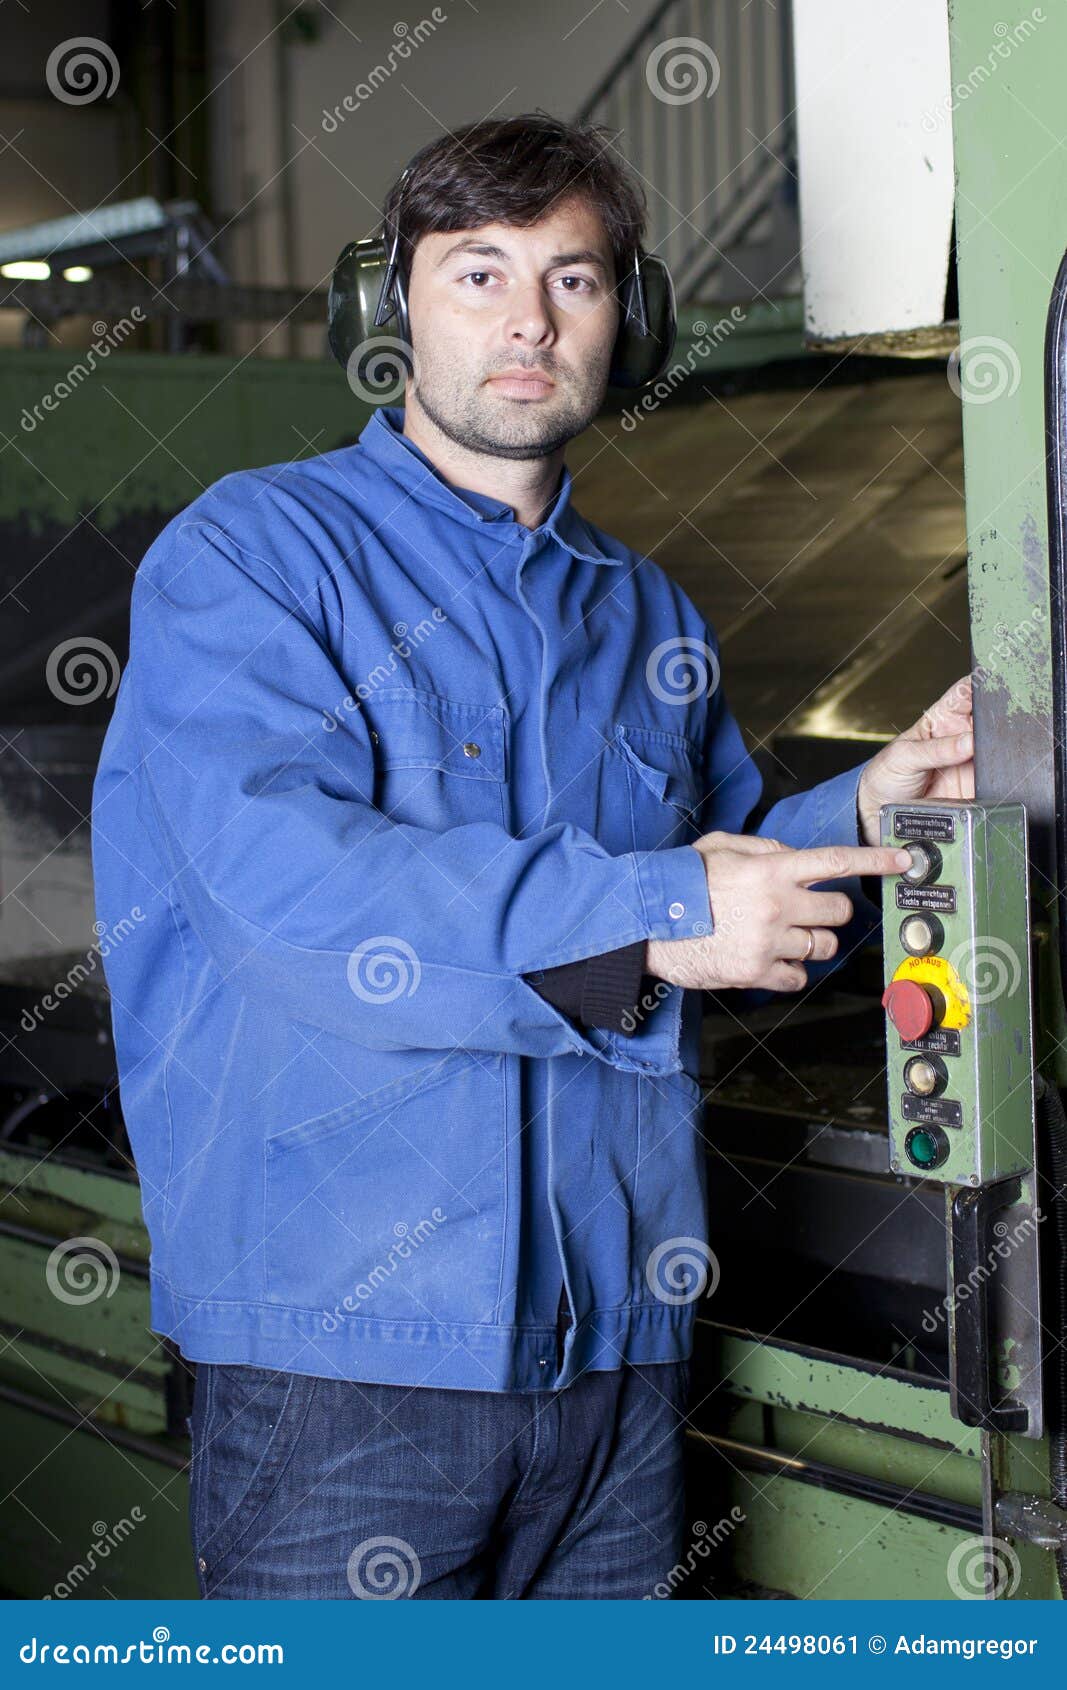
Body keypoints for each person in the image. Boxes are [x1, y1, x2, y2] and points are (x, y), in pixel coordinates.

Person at [91, 113, 974, 1600]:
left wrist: (876, 808)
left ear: (628, 320)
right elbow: (295, 893)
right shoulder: (249, 555)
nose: (526, 322)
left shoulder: (650, 619)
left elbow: (721, 894)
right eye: (479, 273)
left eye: (571, 280)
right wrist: (667, 904)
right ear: (395, 309)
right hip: (345, 1370)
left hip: (618, 1357)